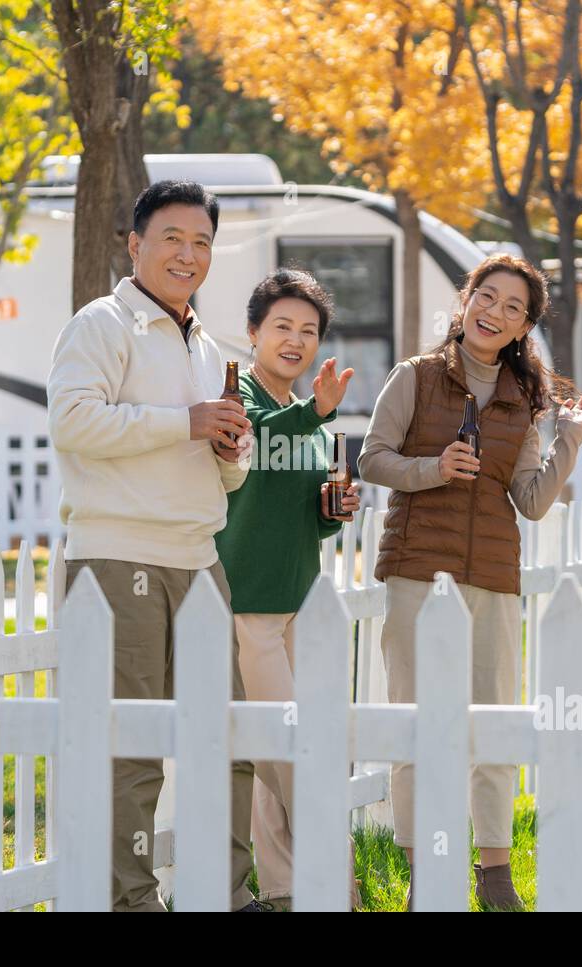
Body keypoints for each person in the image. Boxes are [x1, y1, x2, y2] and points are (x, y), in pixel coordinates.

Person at [358, 254, 582, 910]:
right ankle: (425, 875)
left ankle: (494, 874)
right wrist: (433, 468)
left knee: (493, 725)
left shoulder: (522, 399)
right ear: (466, 300)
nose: (495, 313)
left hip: (493, 576)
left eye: (512, 308)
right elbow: (372, 459)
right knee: (417, 725)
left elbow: (531, 499)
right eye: (486, 297)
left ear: (524, 326)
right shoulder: (414, 377)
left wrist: (571, 440)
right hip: (417, 570)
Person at [47, 179, 263, 912]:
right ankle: (130, 902)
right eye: (172, 237)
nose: (188, 254)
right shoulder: (99, 324)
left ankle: (218, 893)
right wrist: (187, 423)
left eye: (202, 241)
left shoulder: (207, 344)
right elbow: (73, 422)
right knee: (130, 749)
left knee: (223, 739)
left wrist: (230, 450)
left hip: (200, 558)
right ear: (135, 244)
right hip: (117, 555)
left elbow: (225, 472)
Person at [214, 267, 362, 911]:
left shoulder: (313, 419)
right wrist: (315, 411)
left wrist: (332, 510)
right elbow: (252, 442)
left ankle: (284, 889)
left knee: (285, 749)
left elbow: (305, 516)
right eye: (282, 326)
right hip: (246, 602)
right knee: (287, 749)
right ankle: (336, 888)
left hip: (300, 598)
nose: (295, 341)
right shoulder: (238, 395)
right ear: (252, 331)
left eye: (308, 330)